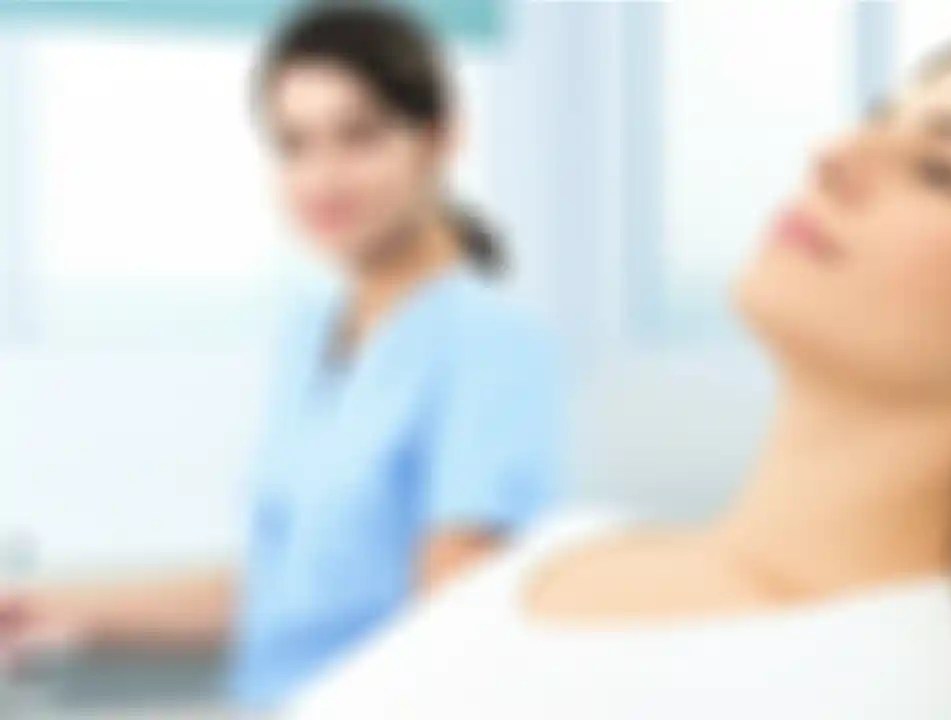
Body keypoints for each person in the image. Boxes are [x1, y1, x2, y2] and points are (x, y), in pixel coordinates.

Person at [290, 31, 951, 720]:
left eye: (943, 171)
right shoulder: (569, 549)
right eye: (879, 123)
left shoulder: (873, 694)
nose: (834, 157)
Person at [0, 3, 563, 710]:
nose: (321, 178)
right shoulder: (314, 332)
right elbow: (280, 598)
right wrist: (45, 607)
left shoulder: (492, 347)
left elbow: (457, 630)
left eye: (357, 137)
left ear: (439, 140)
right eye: (293, 145)